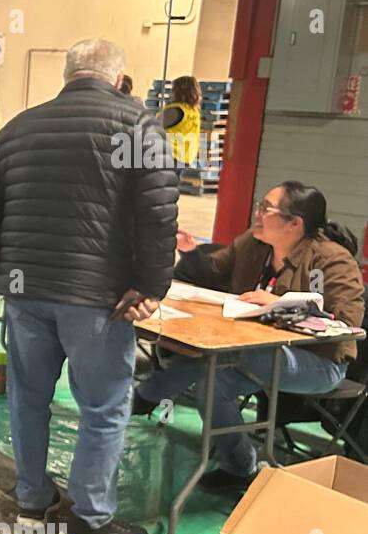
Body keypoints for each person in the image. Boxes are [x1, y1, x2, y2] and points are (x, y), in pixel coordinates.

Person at [0, 37, 178, 534]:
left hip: (24, 291)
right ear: (117, 77)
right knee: (104, 405)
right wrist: (153, 284)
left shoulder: (18, 128)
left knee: (28, 397)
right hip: (98, 296)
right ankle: (90, 519)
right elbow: (159, 210)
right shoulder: (136, 124)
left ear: (67, 74)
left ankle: (31, 499)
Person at [134, 182, 364, 490]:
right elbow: (212, 271)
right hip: (253, 351)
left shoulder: (331, 260)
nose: (257, 213)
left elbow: (346, 324)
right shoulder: (254, 245)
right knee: (212, 385)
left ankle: (146, 396)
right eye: (259, 205)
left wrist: (283, 305)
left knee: (222, 353)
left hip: (318, 363)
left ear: (295, 223)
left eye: (266, 209)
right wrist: (191, 251)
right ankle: (241, 468)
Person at [160, 74, 201, 171]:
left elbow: (151, 128)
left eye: (173, 89)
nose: (171, 93)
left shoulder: (175, 110)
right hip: (185, 159)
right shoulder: (193, 111)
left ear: (178, 91)